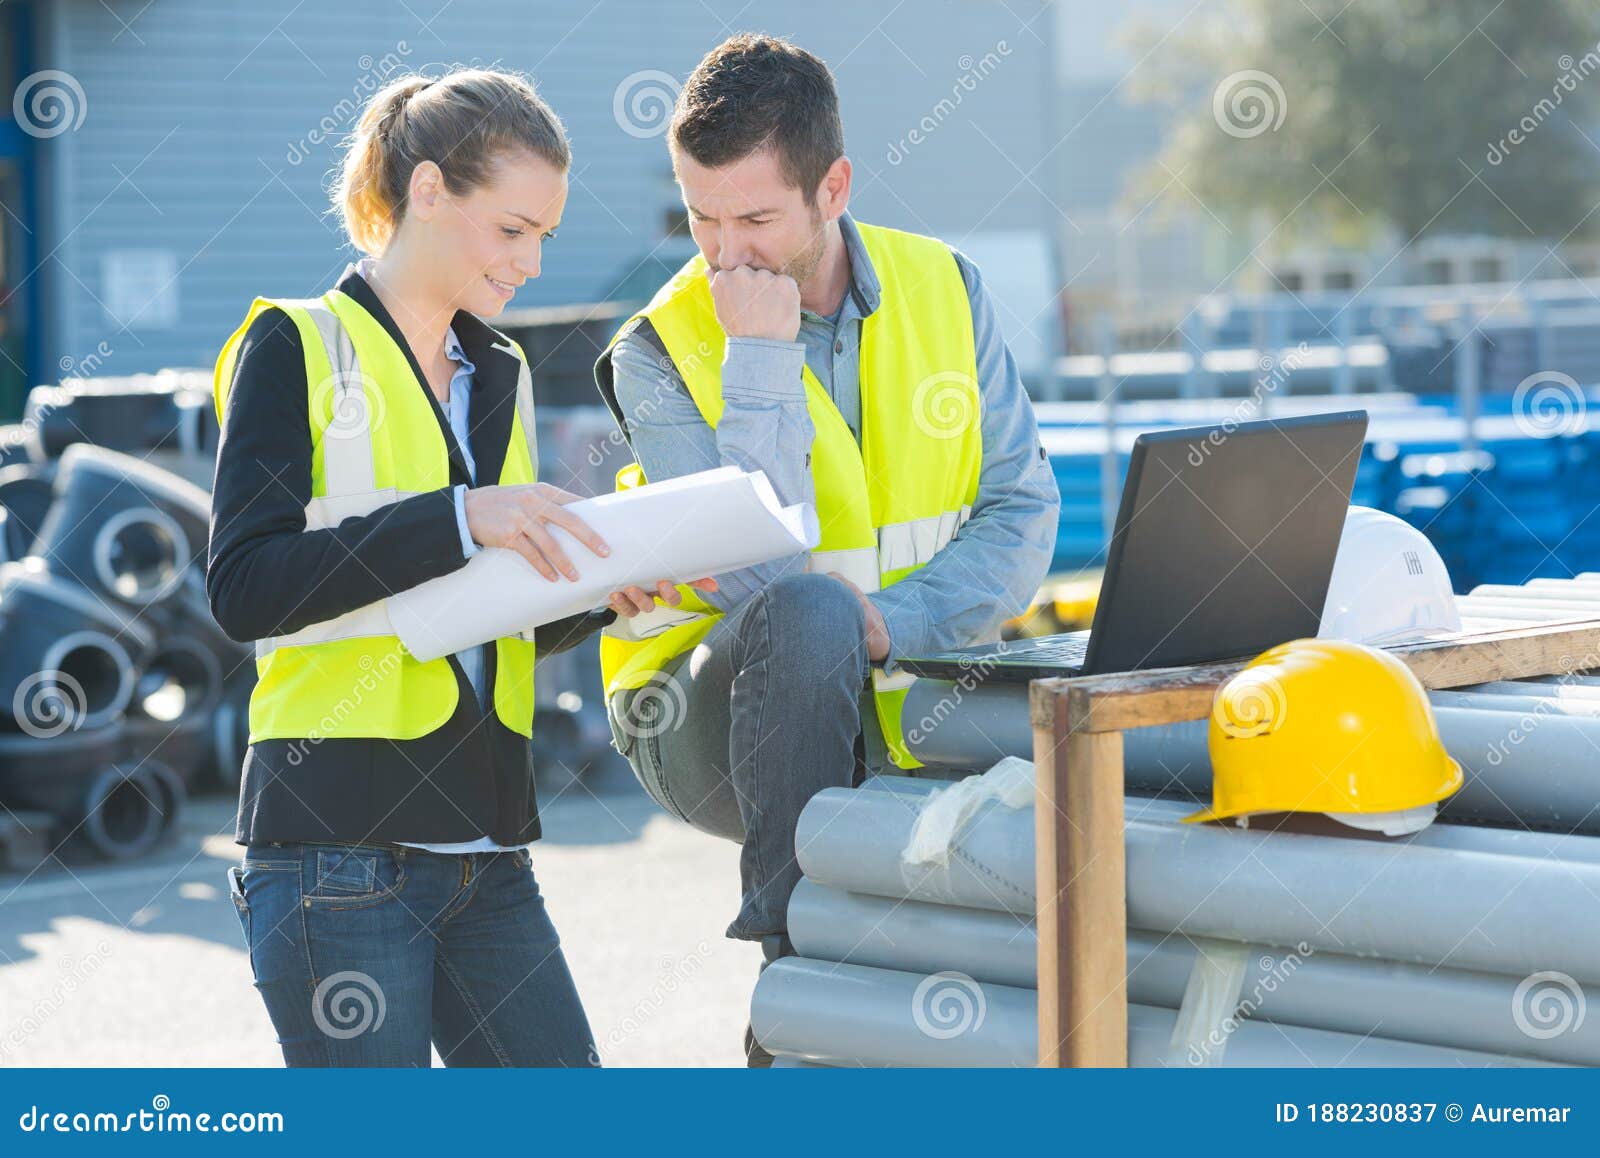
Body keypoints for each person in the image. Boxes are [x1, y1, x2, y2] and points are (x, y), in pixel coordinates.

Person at [208, 67, 711, 1067]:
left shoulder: (502, 377)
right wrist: (457, 515)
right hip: (333, 852)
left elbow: (482, 609)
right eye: (511, 229)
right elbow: (244, 587)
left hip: (486, 851)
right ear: (429, 190)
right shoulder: (297, 345)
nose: (528, 261)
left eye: (544, 236)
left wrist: (595, 598)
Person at [592, 35, 1060, 1063]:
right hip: (703, 711)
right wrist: (757, 356)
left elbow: (1023, 509)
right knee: (802, 614)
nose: (723, 252)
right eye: (700, 217)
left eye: (753, 218)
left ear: (832, 187)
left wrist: (897, 623)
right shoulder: (659, 350)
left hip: (901, 679)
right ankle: (789, 963)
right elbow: (757, 578)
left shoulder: (946, 286)